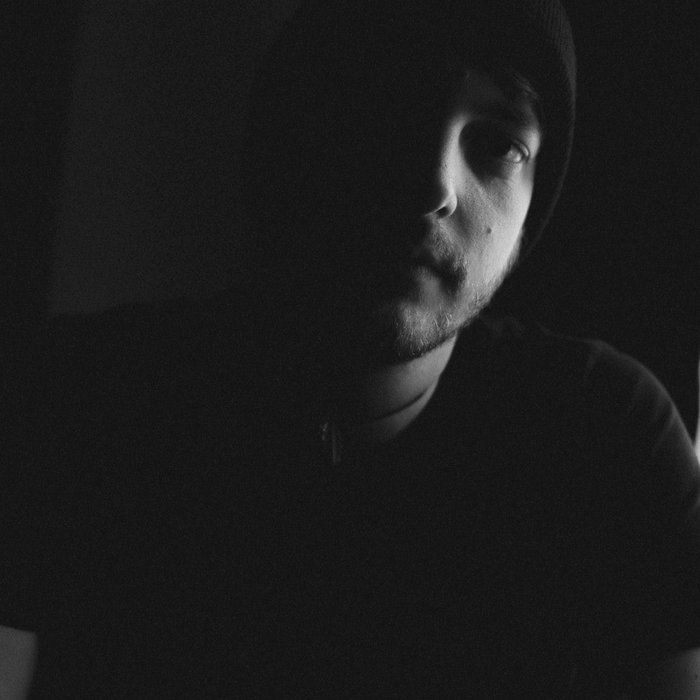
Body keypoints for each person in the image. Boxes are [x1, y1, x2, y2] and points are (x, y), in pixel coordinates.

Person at [2, 0, 699, 696]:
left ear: (530, 214)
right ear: (296, 132)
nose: (432, 185)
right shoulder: (76, 404)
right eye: (390, 108)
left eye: (498, 144)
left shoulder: (610, 440)